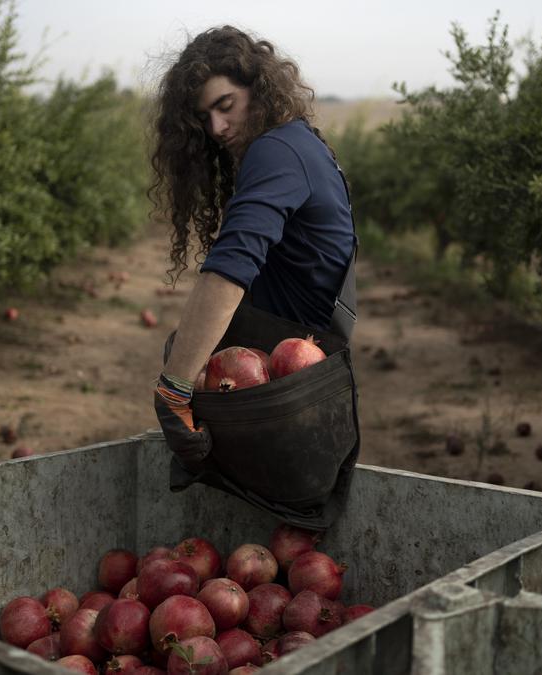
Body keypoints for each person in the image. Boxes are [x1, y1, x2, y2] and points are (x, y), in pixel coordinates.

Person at [150, 26, 356, 481]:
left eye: (225, 106)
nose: (217, 129)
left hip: (278, 394)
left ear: (258, 88)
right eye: (205, 118)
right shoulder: (303, 144)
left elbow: (230, 267)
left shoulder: (277, 150)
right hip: (284, 376)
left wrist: (175, 388)